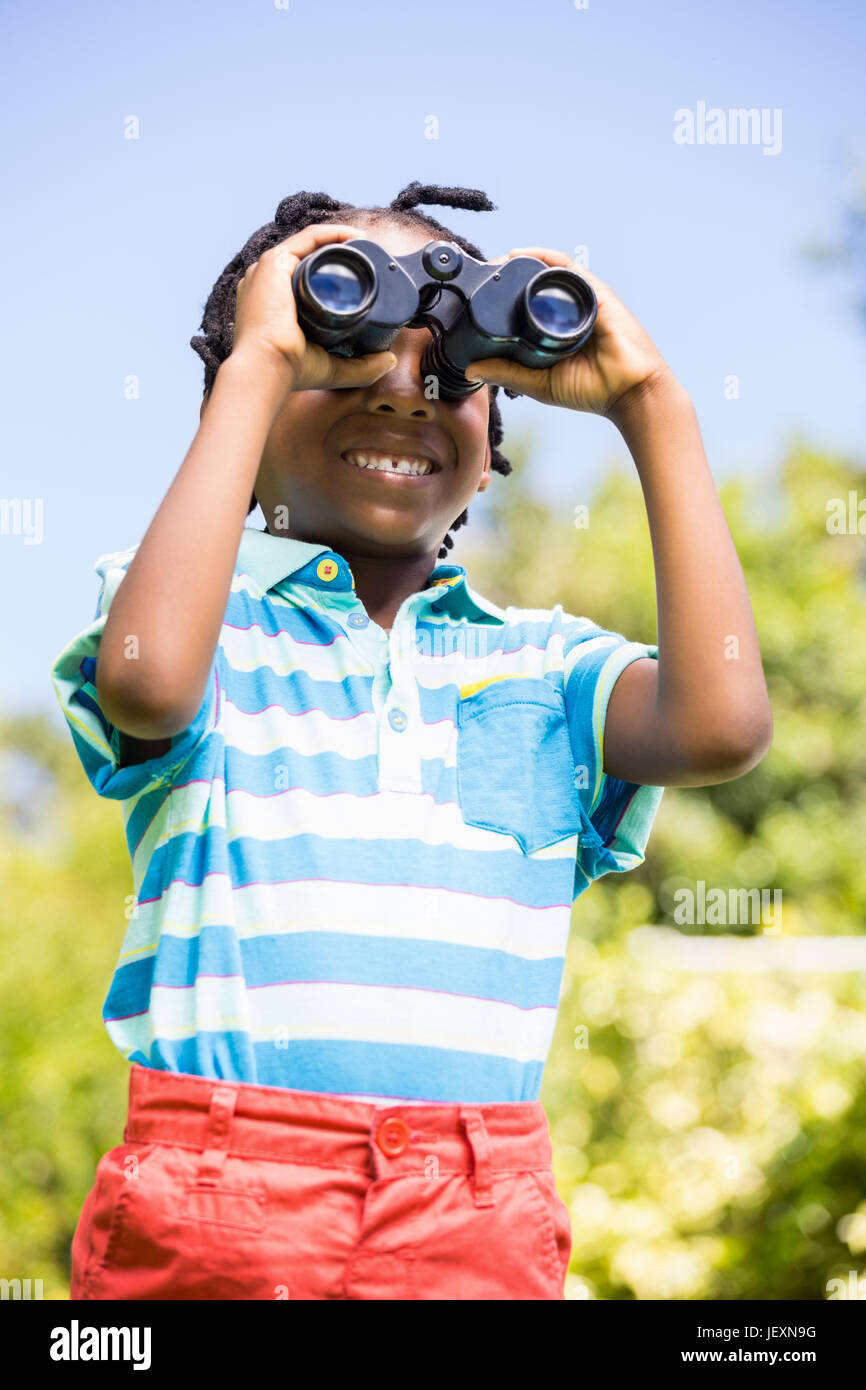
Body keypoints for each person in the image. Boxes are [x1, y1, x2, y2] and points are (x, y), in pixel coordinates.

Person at [50, 181, 772, 1300]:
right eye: (347, 355)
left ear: (495, 442)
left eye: (450, 376)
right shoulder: (204, 630)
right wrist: (256, 360)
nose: (400, 397)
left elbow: (720, 726)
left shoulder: (544, 665)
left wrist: (651, 401)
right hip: (222, 1198)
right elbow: (144, 686)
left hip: (473, 1205)